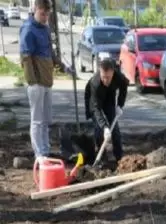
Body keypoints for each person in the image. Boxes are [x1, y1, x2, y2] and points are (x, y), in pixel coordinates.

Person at [19, 0, 73, 162]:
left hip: (47, 82)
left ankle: (45, 149)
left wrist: (64, 67)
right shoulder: (28, 29)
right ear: (35, 9)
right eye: (42, 14)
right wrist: (33, 81)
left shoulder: (45, 29)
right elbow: (26, 58)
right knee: (37, 120)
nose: (45, 17)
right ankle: (39, 154)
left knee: (46, 119)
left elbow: (50, 53)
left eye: (47, 14)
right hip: (36, 83)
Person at [86, 58, 129, 168]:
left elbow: (124, 86)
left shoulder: (119, 77)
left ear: (113, 72)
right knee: (99, 129)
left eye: (108, 77)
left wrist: (120, 104)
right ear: (100, 72)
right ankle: (102, 160)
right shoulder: (94, 83)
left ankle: (119, 158)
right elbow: (96, 109)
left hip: (109, 97)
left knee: (115, 130)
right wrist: (104, 127)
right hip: (95, 99)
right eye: (103, 77)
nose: (106, 80)